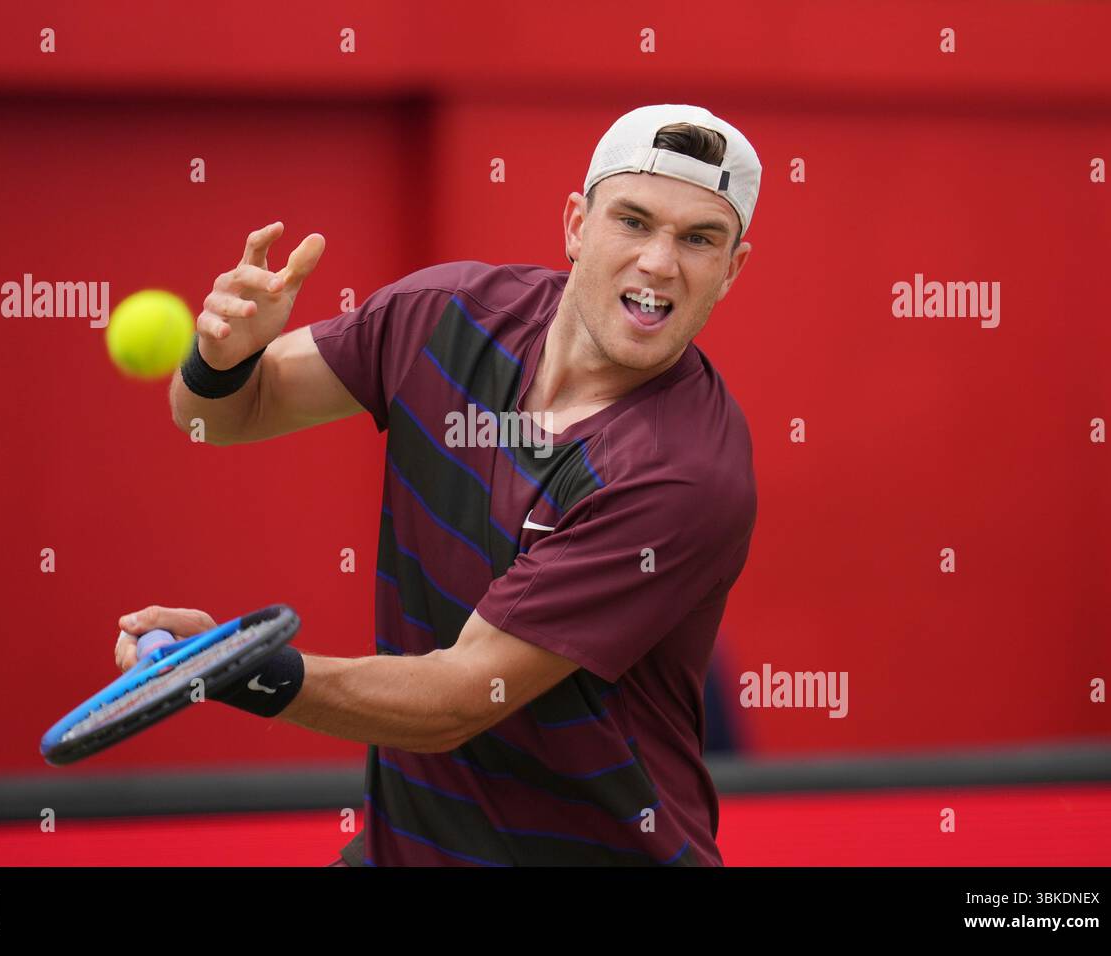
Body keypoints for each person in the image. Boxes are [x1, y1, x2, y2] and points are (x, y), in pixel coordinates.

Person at [115, 104, 760, 866]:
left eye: (698, 239)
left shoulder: (681, 474)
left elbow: (461, 697)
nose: (659, 262)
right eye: (634, 222)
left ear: (731, 269)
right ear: (576, 224)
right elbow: (221, 418)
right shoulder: (443, 316)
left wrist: (234, 668)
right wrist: (221, 359)